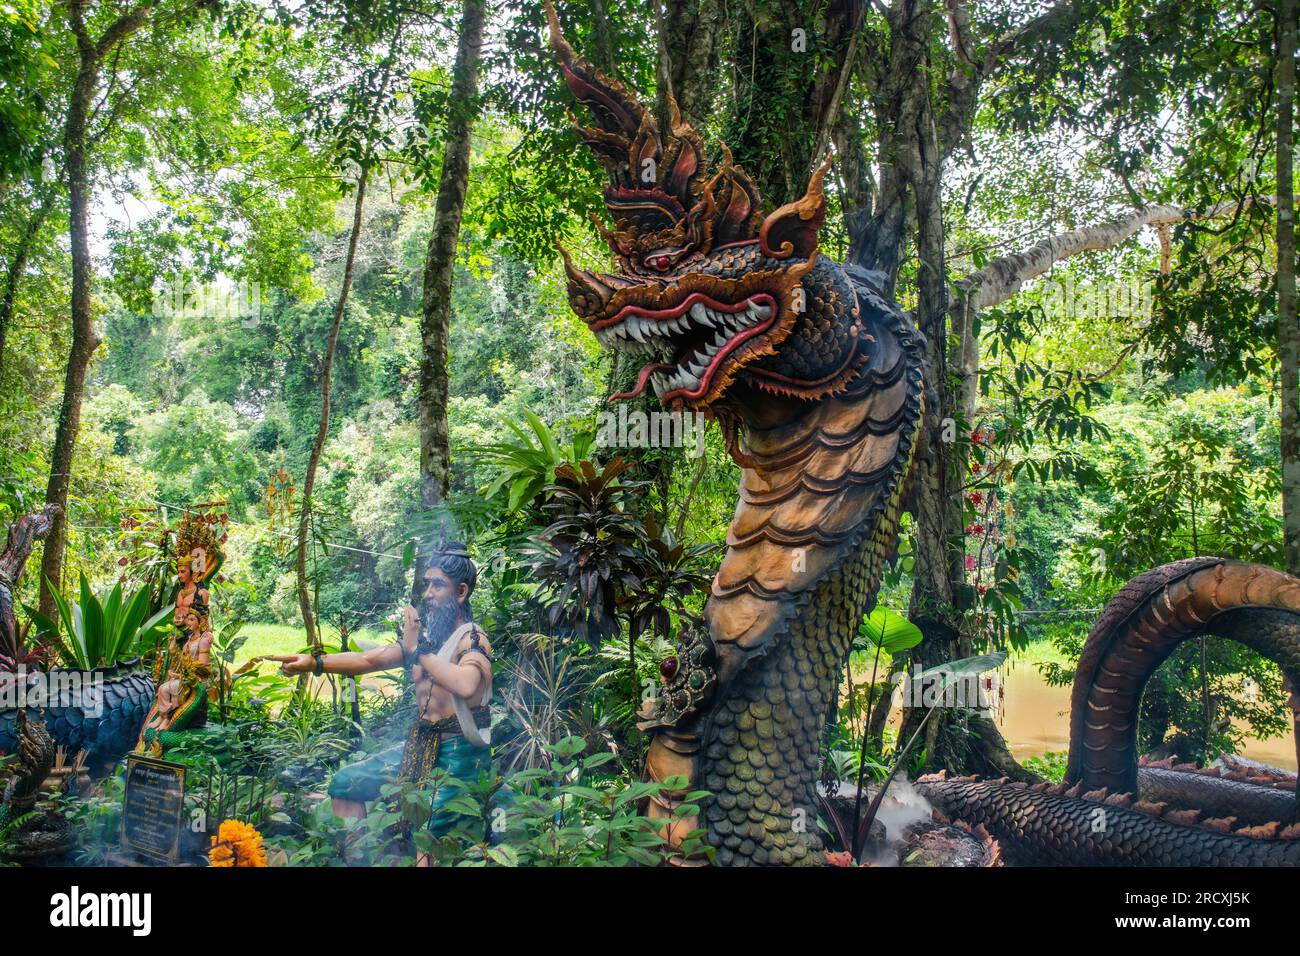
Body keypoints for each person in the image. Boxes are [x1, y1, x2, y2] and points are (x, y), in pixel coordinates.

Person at [270, 544, 493, 865]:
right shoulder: (425, 639)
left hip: (460, 755)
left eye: (438, 585)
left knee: (425, 834)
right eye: (427, 584)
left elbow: (466, 683)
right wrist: (310, 662)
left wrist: (420, 649)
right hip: (419, 746)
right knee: (346, 784)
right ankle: (359, 861)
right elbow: (367, 658)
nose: (428, 593)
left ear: (461, 592)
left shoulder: (471, 639)